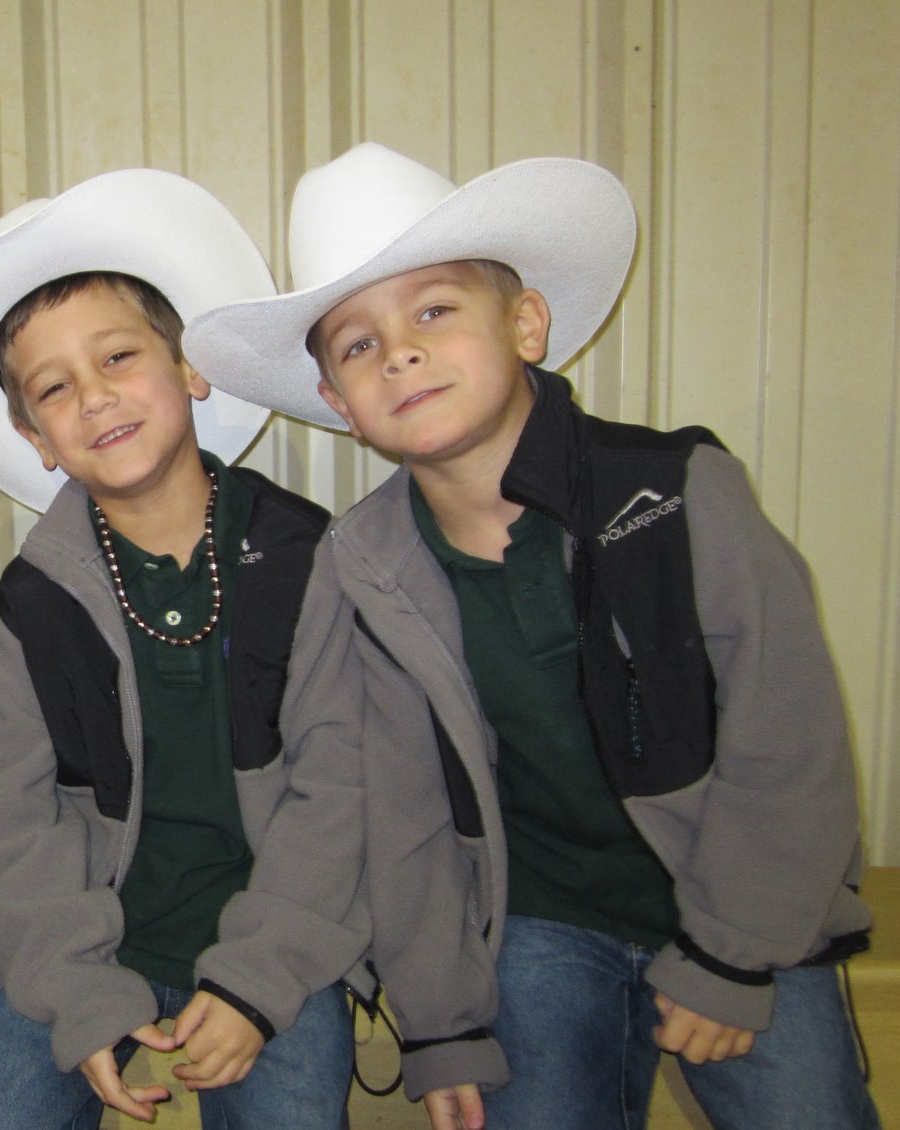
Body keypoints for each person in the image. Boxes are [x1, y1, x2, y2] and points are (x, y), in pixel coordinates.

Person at [183, 142, 877, 1130]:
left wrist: (732, 949)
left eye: (433, 311)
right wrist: (438, 1022)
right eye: (358, 344)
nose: (401, 352)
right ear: (338, 403)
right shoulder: (360, 561)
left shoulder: (675, 490)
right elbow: (395, 804)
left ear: (525, 322)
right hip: (534, 917)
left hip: (741, 901)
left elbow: (788, 736)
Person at [0, 169, 359, 1128]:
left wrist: (258, 983)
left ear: (190, 367)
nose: (96, 398)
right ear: (37, 439)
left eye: (118, 357)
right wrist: (78, 995)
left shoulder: (307, 559)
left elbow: (343, 795)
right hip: (85, 940)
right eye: (55, 389)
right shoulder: (34, 602)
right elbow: (10, 820)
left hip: (278, 933)